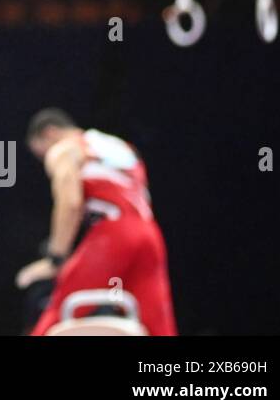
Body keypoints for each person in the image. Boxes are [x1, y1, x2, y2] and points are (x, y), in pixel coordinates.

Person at [16, 109, 177, 336]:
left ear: (50, 134)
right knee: (157, 325)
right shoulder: (119, 146)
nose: (45, 160)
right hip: (149, 233)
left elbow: (70, 202)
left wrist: (56, 257)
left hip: (113, 234)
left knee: (57, 313)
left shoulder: (65, 148)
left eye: (42, 154)